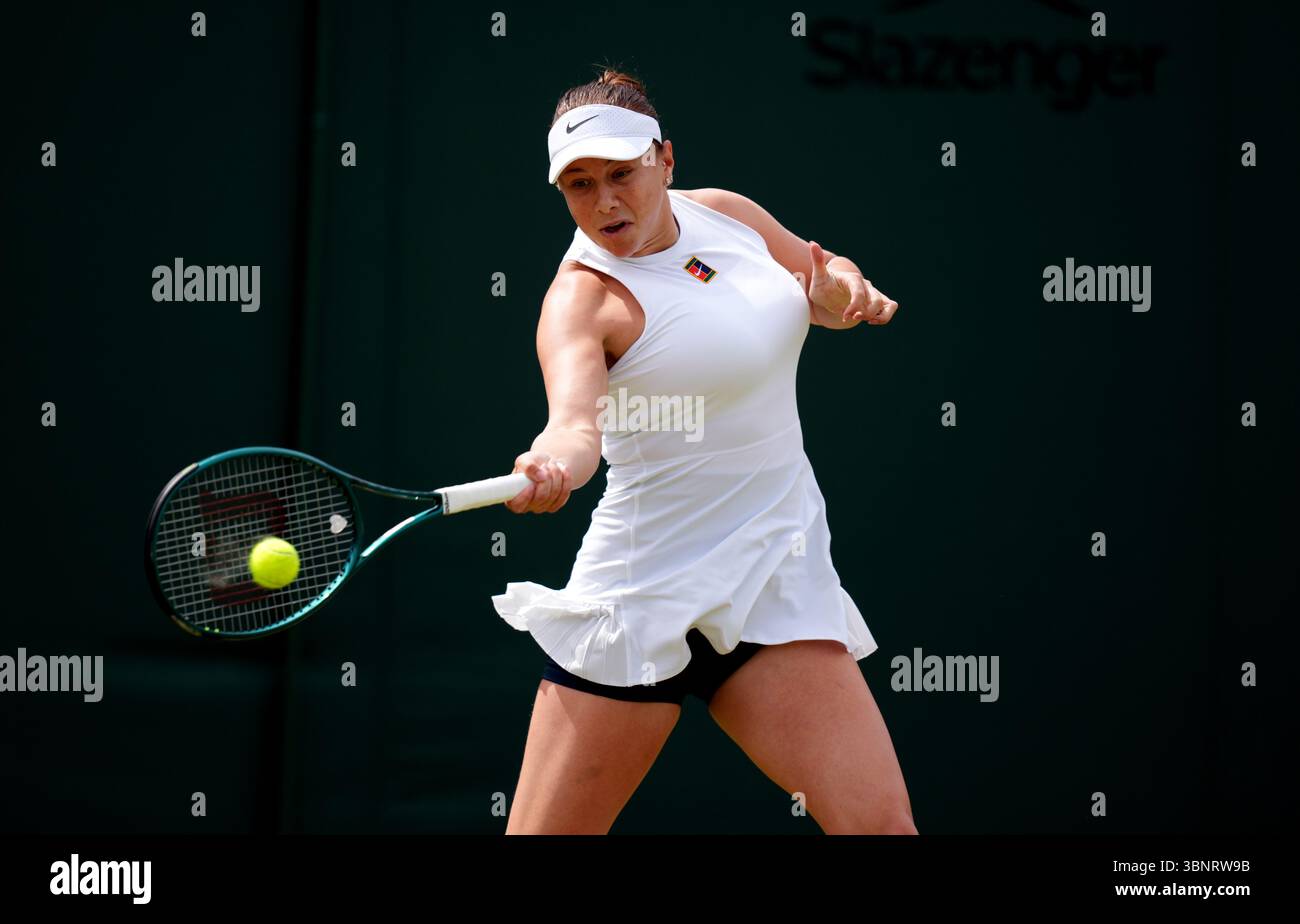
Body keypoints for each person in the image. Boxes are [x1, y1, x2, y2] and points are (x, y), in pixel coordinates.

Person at [492, 67, 915, 835]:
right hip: (642, 594)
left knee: (881, 829)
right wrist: (551, 462)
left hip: (772, 578)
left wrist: (845, 287)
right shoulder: (583, 300)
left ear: (666, 160)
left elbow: (813, 272)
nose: (606, 202)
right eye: (580, 185)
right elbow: (575, 427)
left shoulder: (725, 216)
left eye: (622, 174)